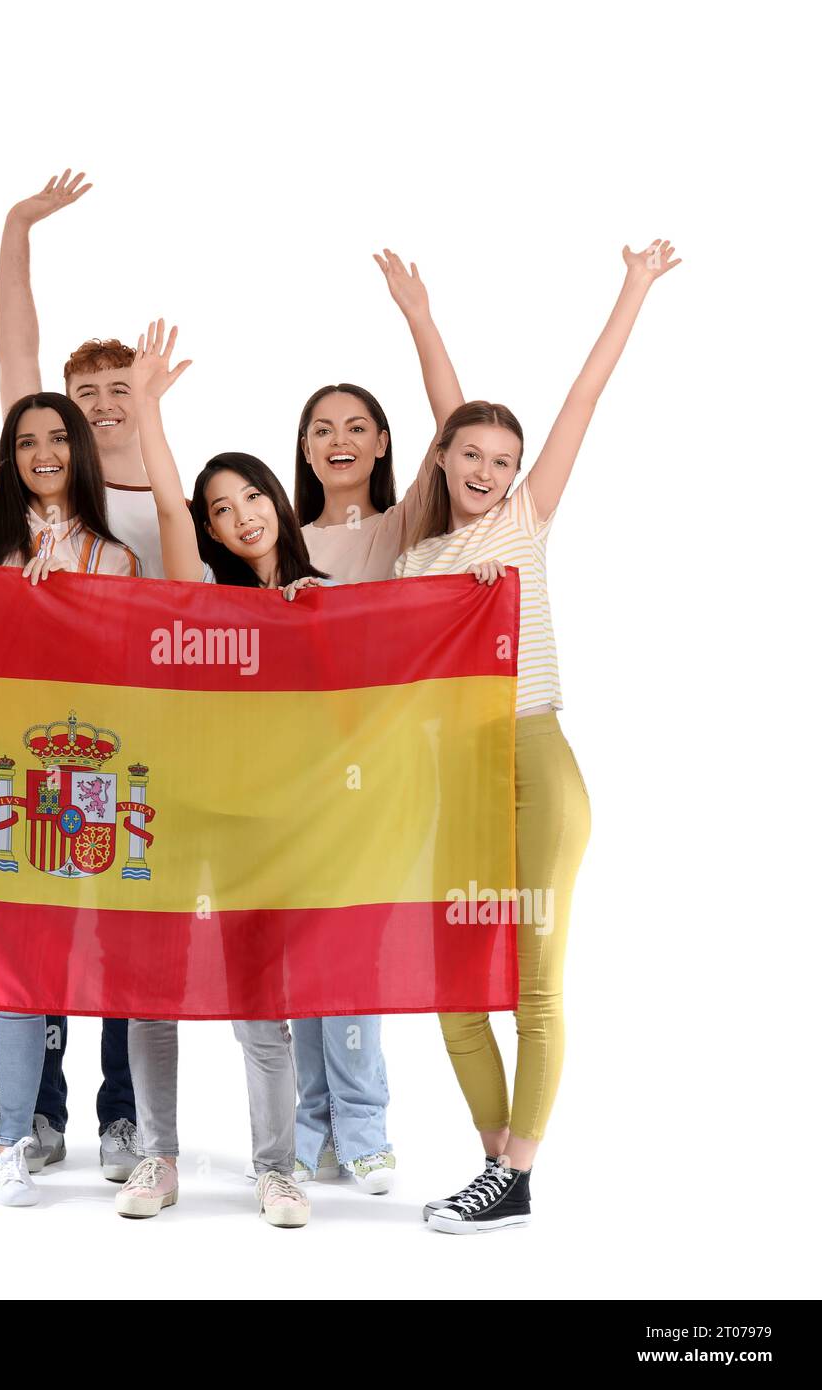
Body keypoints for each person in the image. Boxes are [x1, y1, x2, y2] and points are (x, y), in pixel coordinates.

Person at [393, 238, 681, 1232]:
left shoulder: (519, 524)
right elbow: (450, 406)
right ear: (442, 457)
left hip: (534, 762)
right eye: (469, 454)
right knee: (454, 989)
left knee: (535, 982)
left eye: (502, 461)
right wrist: (419, 319)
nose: (485, 469)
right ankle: (495, 1167)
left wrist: (631, 286)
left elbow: (581, 401)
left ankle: (517, 1172)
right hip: (452, 781)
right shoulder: (415, 559)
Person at [0, 237, 141, 1198]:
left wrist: (72, 610)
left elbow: (124, 677)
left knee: (73, 942)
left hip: (77, 772)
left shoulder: (115, 560)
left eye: (60, 440)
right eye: (30, 441)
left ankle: (71, 1124)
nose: (45, 452)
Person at [109, 321, 321, 1228]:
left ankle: (275, 1170)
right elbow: (164, 509)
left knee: (258, 1004)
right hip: (180, 809)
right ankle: (156, 1160)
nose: (239, 517)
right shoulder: (202, 593)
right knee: (153, 995)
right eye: (219, 508)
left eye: (250, 499)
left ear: (276, 499)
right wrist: (149, 407)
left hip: (267, 822)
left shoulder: (322, 604)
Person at [0, 171, 167, 1167]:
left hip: (120, 739)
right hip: (27, 737)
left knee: (116, 924)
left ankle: (118, 1106)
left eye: (116, 392)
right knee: (42, 924)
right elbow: (17, 351)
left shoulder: (144, 514)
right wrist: (18, 227)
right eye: (81, 396)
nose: (97, 409)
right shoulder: (30, 506)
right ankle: (44, 1106)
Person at [283, 257, 460, 1194]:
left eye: (357, 427)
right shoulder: (278, 541)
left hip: (376, 767)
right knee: (308, 943)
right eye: (323, 428)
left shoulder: (399, 531)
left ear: (383, 443)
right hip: (293, 774)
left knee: (351, 943)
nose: (340, 439)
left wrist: (420, 319)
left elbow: (458, 433)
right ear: (304, 448)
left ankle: (362, 1125)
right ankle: (313, 1126)